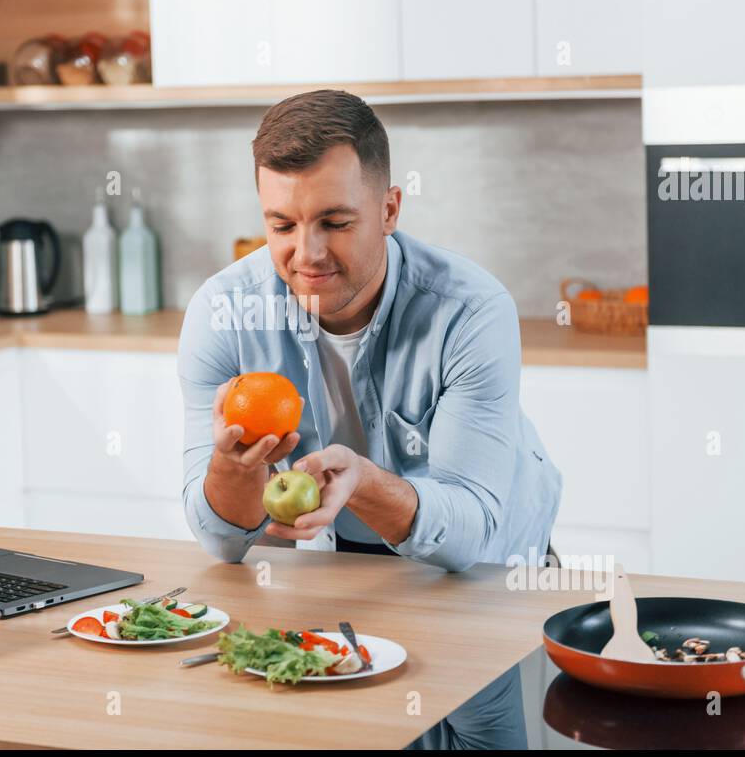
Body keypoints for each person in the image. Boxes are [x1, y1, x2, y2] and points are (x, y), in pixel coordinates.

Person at [178, 89, 561, 572]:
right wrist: (232, 471)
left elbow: (469, 531)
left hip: (492, 574)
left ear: (389, 211)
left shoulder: (469, 311)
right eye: (282, 227)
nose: (307, 254)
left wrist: (364, 483)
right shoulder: (224, 313)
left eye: (334, 222)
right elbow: (221, 544)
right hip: (342, 571)